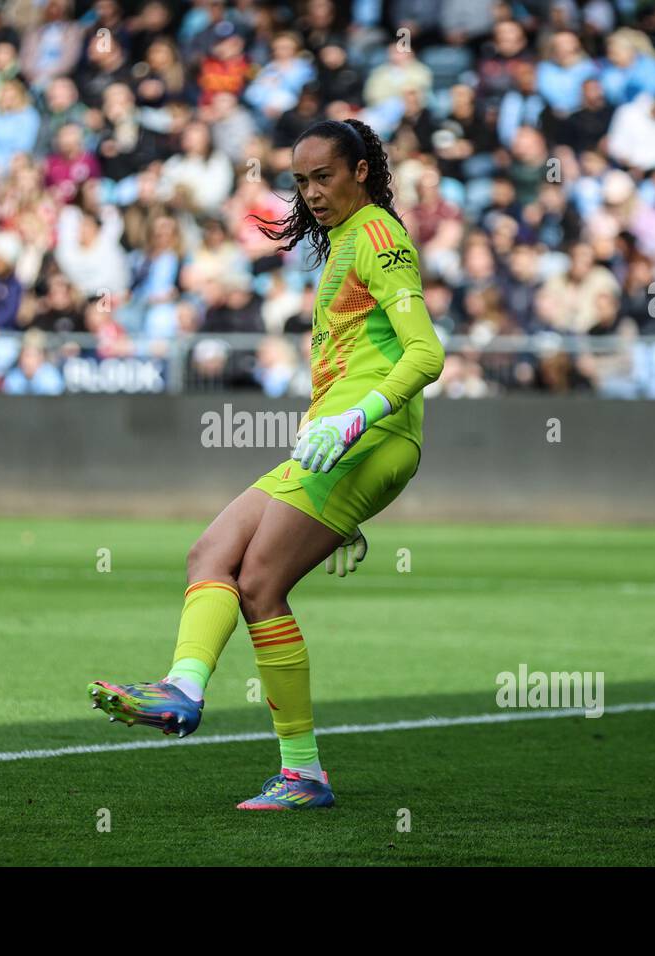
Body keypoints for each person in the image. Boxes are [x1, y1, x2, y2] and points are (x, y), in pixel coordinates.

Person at [86, 118, 445, 810]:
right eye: (300, 181)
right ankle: (184, 689)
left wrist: (354, 420)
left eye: (325, 177)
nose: (311, 192)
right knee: (211, 554)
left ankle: (302, 773)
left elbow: (426, 353)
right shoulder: (343, 241)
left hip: (367, 436)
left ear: (362, 171)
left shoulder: (378, 237)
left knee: (259, 584)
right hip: (338, 444)